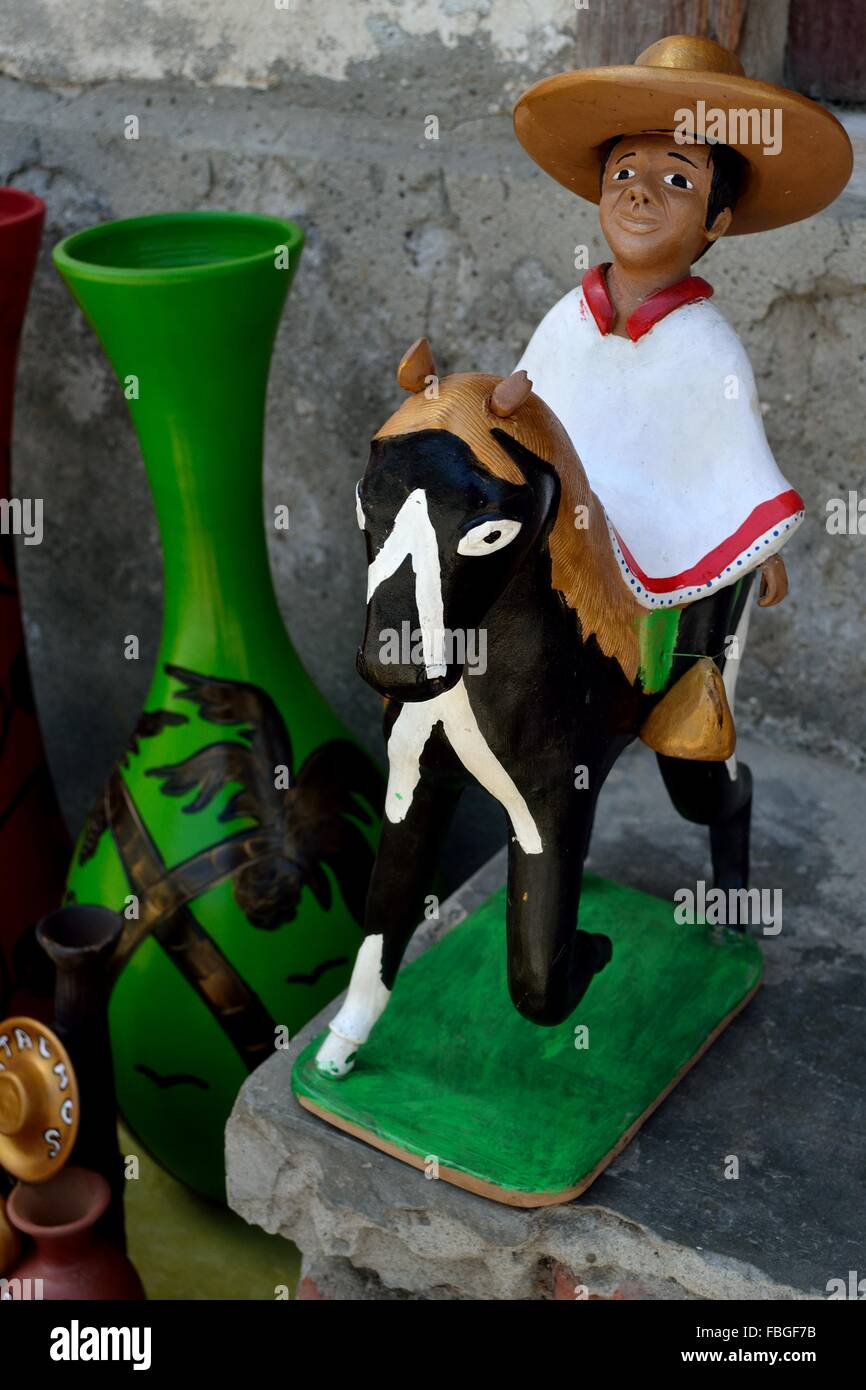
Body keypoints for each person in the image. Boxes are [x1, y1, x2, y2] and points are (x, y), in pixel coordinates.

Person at [512, 34, 852, 888]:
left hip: (659, 533)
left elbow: (730, 454)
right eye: (624, 171)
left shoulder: (707, 346)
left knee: (688, 715)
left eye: (677, 180)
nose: (640, 194)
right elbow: (532, 393)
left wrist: (755, 543)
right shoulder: (571, 313)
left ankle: (690, 705)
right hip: (566, 523)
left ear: (717, 219)